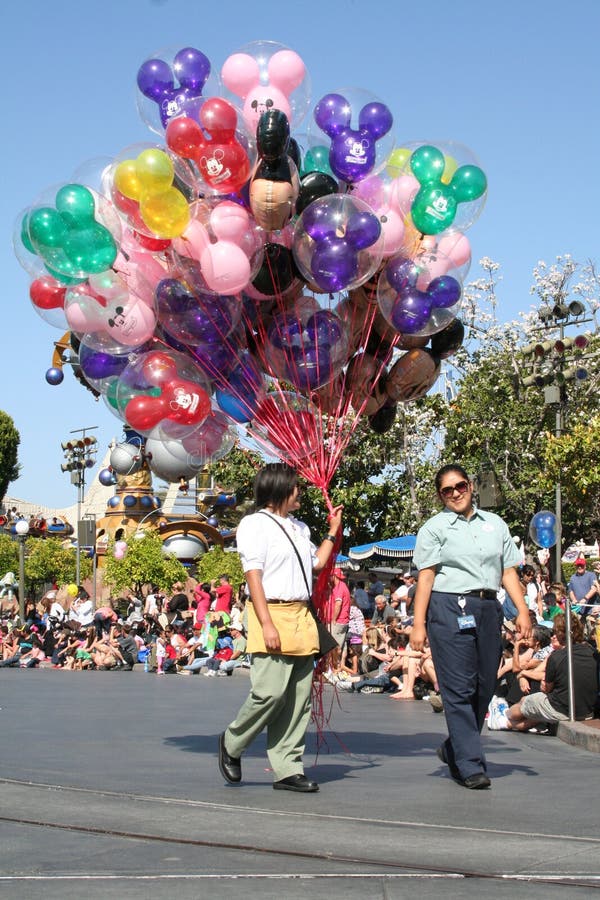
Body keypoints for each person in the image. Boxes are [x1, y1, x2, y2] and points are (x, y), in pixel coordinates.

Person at [218, 463, 342, 793]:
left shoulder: (300, 527)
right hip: (269, 612)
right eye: (295, 486)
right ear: (279, 489)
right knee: (270, 693)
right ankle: (232, 741)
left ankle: (287, 767)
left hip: (300, 616)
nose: (300, 491)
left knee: (298, 699)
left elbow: (316, 563)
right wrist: (266, 623)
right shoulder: (253, 525)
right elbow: (253, 576)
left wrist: (333, 531)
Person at [411, 463, 531, 790]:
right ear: (440, 495)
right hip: (449, 606)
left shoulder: (495, 524)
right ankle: (470, 763)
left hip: (488, 607)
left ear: (471, 485)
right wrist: (417, 624)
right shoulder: (434, 528)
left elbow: (508, 572)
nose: (455, 494)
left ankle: (455, 747)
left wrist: (523, 610)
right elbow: (426, 577)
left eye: (460, 486)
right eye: (447, 490)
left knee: (485, 685)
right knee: (458, 687)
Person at [492, 613, 598, 730]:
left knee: (525, 701)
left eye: (554, 633)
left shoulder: (556, 657)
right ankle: (505, 722)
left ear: (560, 635)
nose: (552, 636)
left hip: (562, 708)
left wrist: (529, 676)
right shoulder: (592, 652)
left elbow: (546, 688)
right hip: (588, 711)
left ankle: (505, 715)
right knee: (539, 712)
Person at [326, 568, 351, 649]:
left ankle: (335, 661)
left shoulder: (339, 588)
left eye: (330, 576)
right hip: (343, 620)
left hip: (338, 621)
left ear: (334, 576)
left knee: (334, 648)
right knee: (342, 647)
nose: (329, 578)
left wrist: (333, 619)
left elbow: (338, 604)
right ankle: (341, 662)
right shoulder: (342, 586)